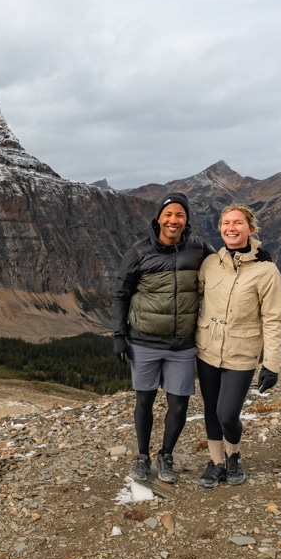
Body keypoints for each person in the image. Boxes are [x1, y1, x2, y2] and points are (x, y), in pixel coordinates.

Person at [112, 192, 214, 483]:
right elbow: (121, 293)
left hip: (182, 344)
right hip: (144, 341)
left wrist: (255, 257)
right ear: (158, 219)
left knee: (179, 404)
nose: (173, 220)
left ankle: (166, 454)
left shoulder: (198, 249)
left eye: (180, 215)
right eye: (168, 214)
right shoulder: (139, 252)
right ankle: (142, 457)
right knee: (144, 402)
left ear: (186, 220)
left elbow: (225, 265)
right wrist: (119, 334)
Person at [194, 203, 281, 488]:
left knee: (227, 414)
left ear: (251, 229)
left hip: (241, 352)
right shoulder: (210, 264)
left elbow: (273, 320)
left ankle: (233, 455)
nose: (231, 228)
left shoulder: (267, 271)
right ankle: (216, 462)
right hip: (207, 348)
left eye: (237, 223)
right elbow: (193, 296)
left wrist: (271, 364)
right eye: (226, 223)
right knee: (211, 409)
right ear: (219, 228)